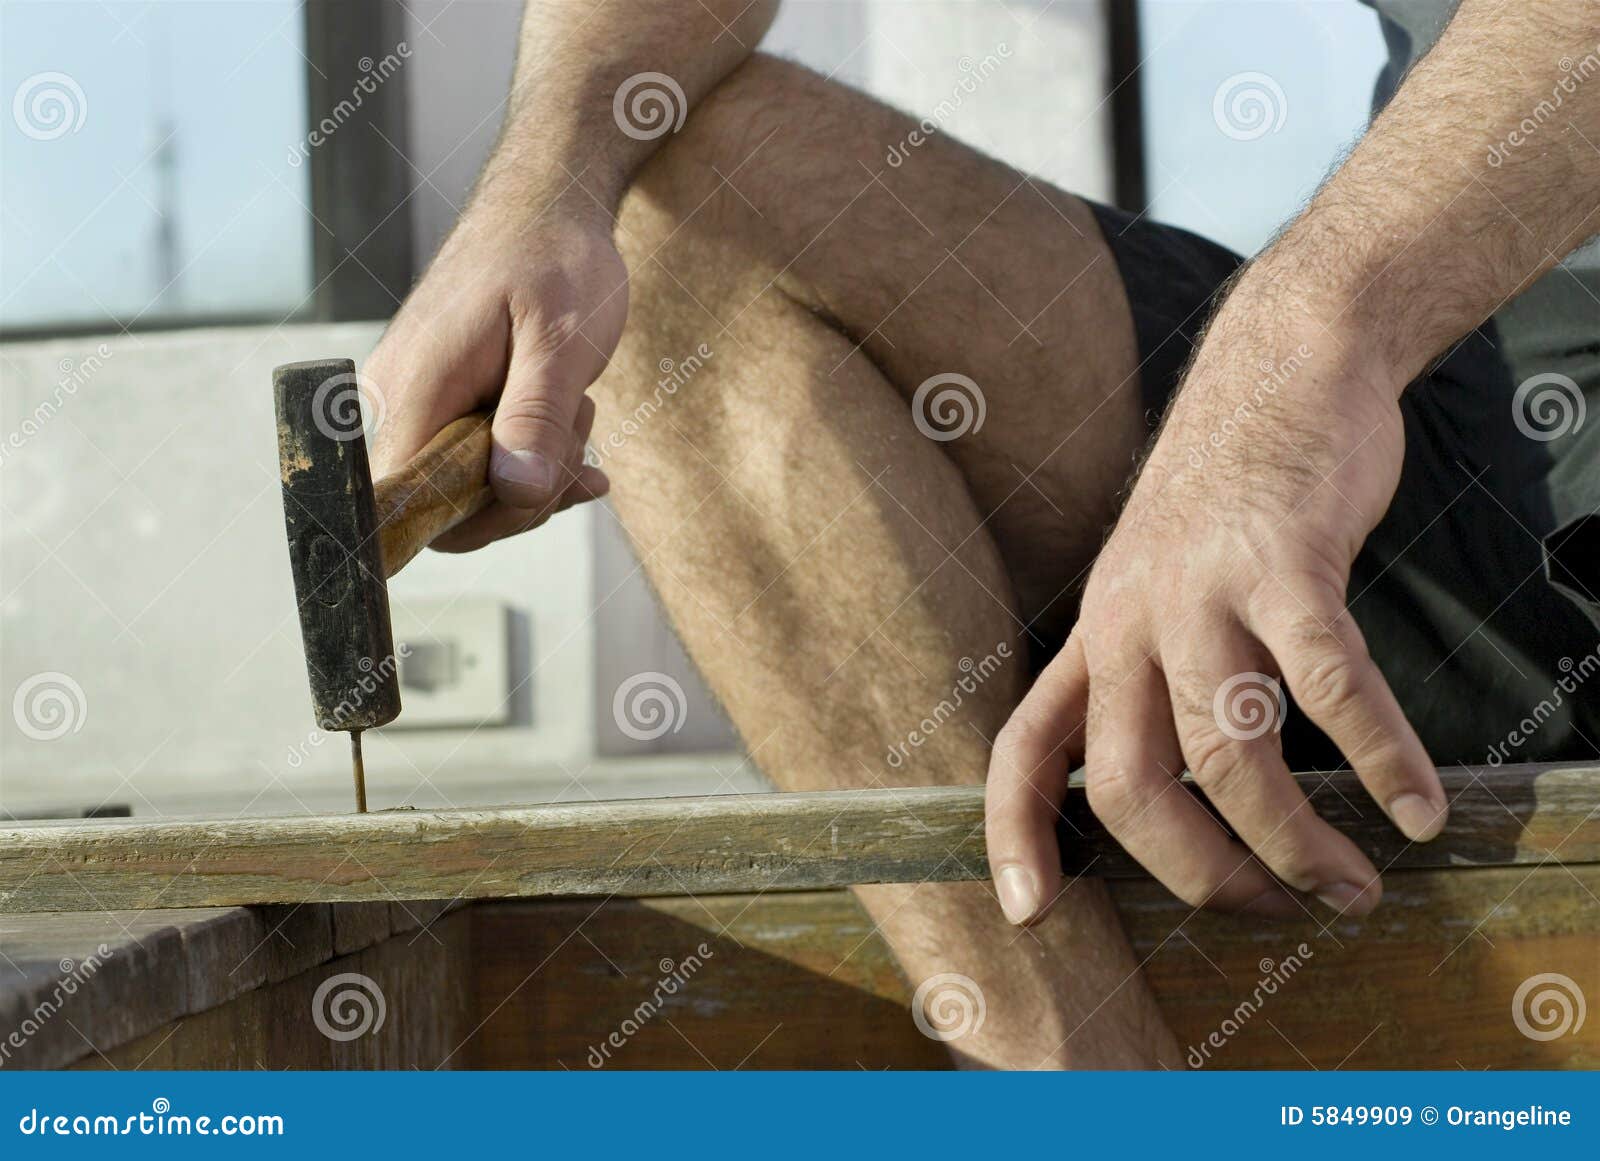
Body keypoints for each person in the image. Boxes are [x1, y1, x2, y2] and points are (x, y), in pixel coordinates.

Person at [366, 0, 1600, 1067]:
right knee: (697, 214)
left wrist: (1307, 336)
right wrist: (545, 188)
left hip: (1407, 330)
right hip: (1466, 395)